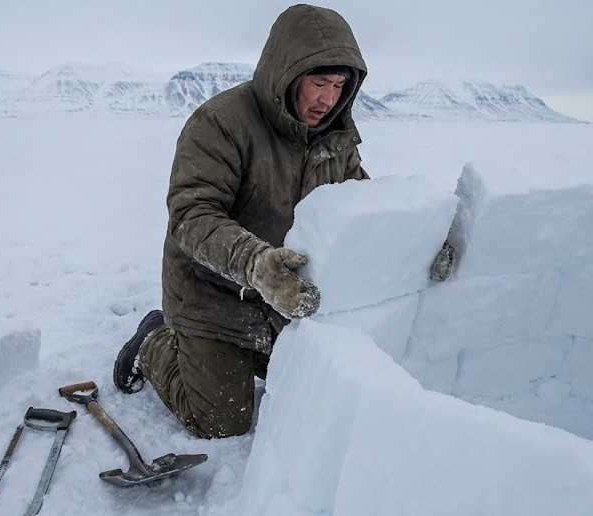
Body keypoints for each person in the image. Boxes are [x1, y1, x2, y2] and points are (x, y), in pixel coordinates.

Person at [113, 4, 455, 439]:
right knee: (222, 421)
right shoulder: (222, 122)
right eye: (318, 82)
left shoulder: (335, 138)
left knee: (311, 384)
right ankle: (153, 341)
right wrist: (255, 262)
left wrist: (419, 245)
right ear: (287, 73)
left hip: (282, 296)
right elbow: (191, 215)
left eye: (338, 85)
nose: (327, 99)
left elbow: (369, 207)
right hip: (210, 292)